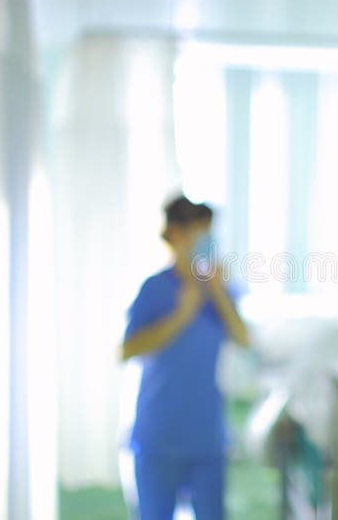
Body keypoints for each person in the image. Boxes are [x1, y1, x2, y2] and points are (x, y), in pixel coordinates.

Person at [121, 195, 249, 520]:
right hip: (158, 436)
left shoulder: (219, 291)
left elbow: (244, 339)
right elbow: (128, 350)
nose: (206, 242)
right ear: (176, 235)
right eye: (199, 233)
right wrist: (181, 315)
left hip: (206, 436)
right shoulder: (154, 289)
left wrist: (216, 291)